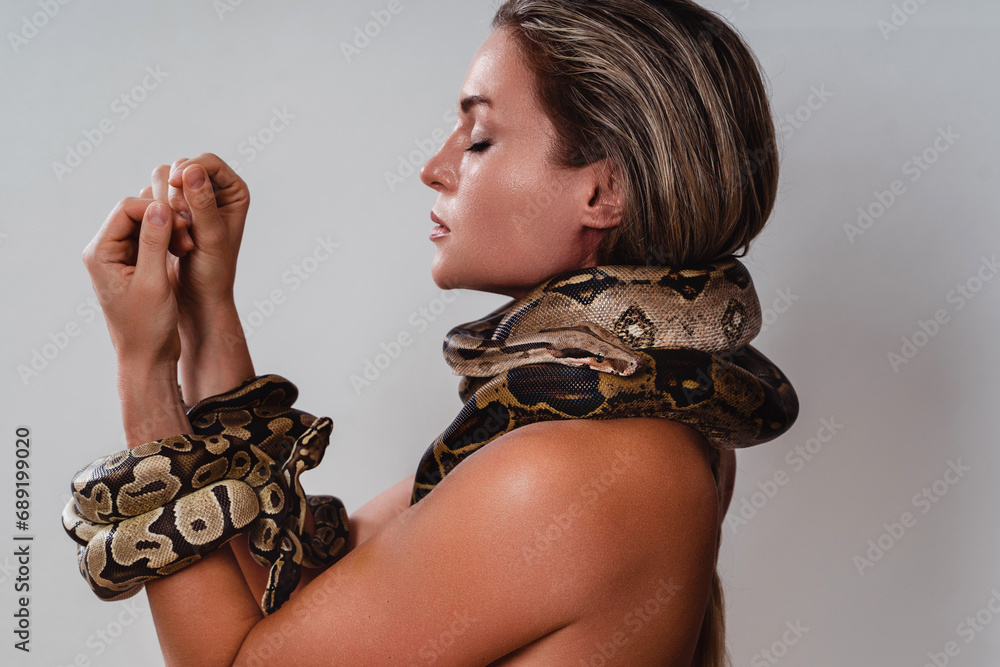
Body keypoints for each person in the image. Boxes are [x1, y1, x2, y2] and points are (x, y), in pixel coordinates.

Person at [80, 1, 782, 664]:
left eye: (479, 138)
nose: (435, 167)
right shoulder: (625, 428)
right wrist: (207, 315)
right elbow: (304, 579)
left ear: (602, 193)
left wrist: (145, 373)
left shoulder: (574, 472)